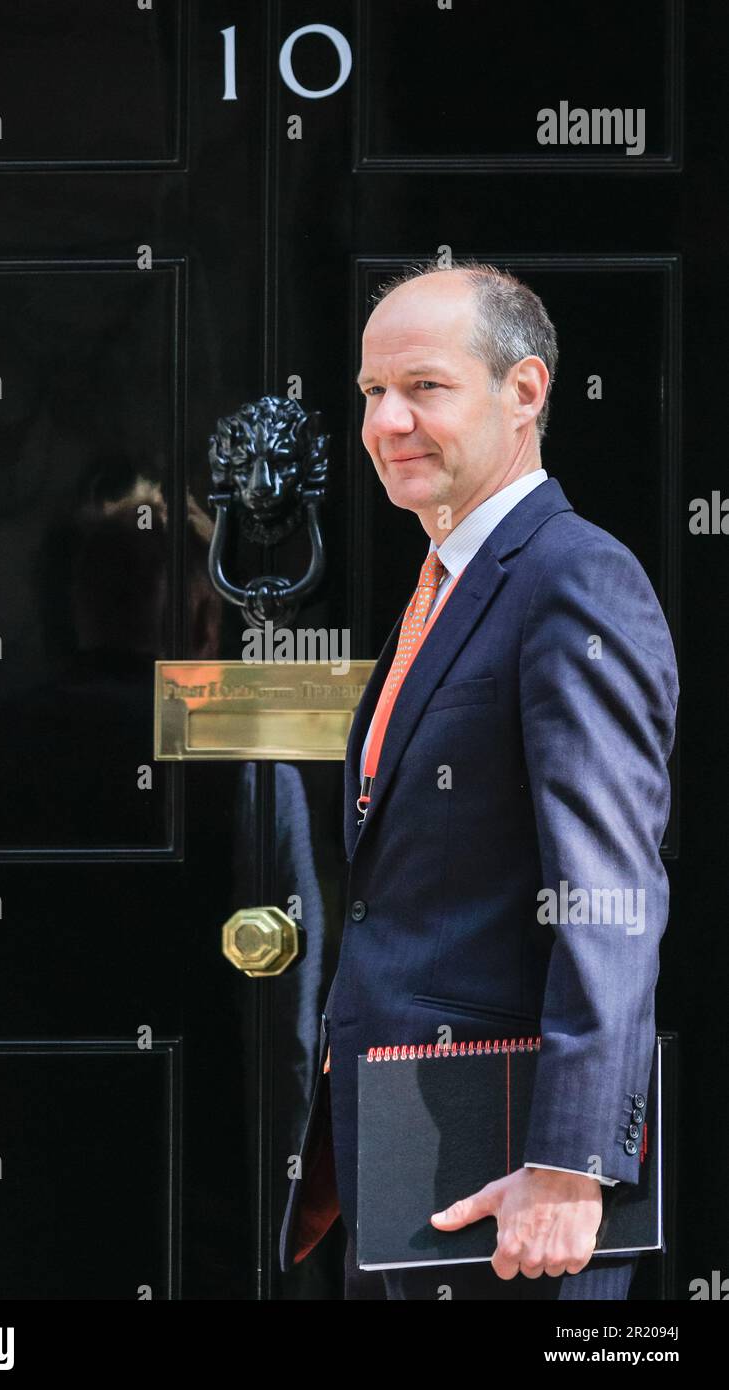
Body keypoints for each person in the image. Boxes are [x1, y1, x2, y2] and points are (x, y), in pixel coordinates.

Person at [279, 260, 679, 1300]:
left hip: (510, 1177)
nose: (387, 422)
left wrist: (570, 1162)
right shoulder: (445, 586)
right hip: (409, 1149)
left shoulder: (571, 578)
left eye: (424, 386)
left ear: (525, 391)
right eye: (371, 393)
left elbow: (608, 894)